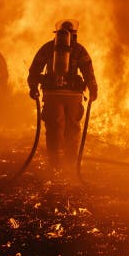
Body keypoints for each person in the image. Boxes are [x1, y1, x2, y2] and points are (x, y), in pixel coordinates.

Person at [27, 20, 98, 171]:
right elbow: (88, 72)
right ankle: (70, 165)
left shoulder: (47, 48)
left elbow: (34, 70)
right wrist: (93, 90)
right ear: (74, 35)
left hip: (52, 94)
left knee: (53, 128)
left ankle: (54, 164)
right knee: (72, 129)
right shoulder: (79, 49)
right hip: (73, 96)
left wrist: (33, 87)